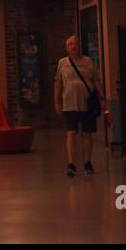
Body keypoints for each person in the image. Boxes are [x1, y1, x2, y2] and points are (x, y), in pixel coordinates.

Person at [54, 35, 104, 177]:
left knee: (87, 133)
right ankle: (71, 164)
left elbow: (96, 81)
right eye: (70, 44)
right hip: (69, 103)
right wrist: (57, 101)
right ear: (67, 48)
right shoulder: (62, 63)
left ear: (79, 46)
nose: (73, 46)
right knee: (71, 132)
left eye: (75, 44)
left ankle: (87, 162)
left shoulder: (88, 62)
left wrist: (102, 98)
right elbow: (58, 82)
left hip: (87, 103)